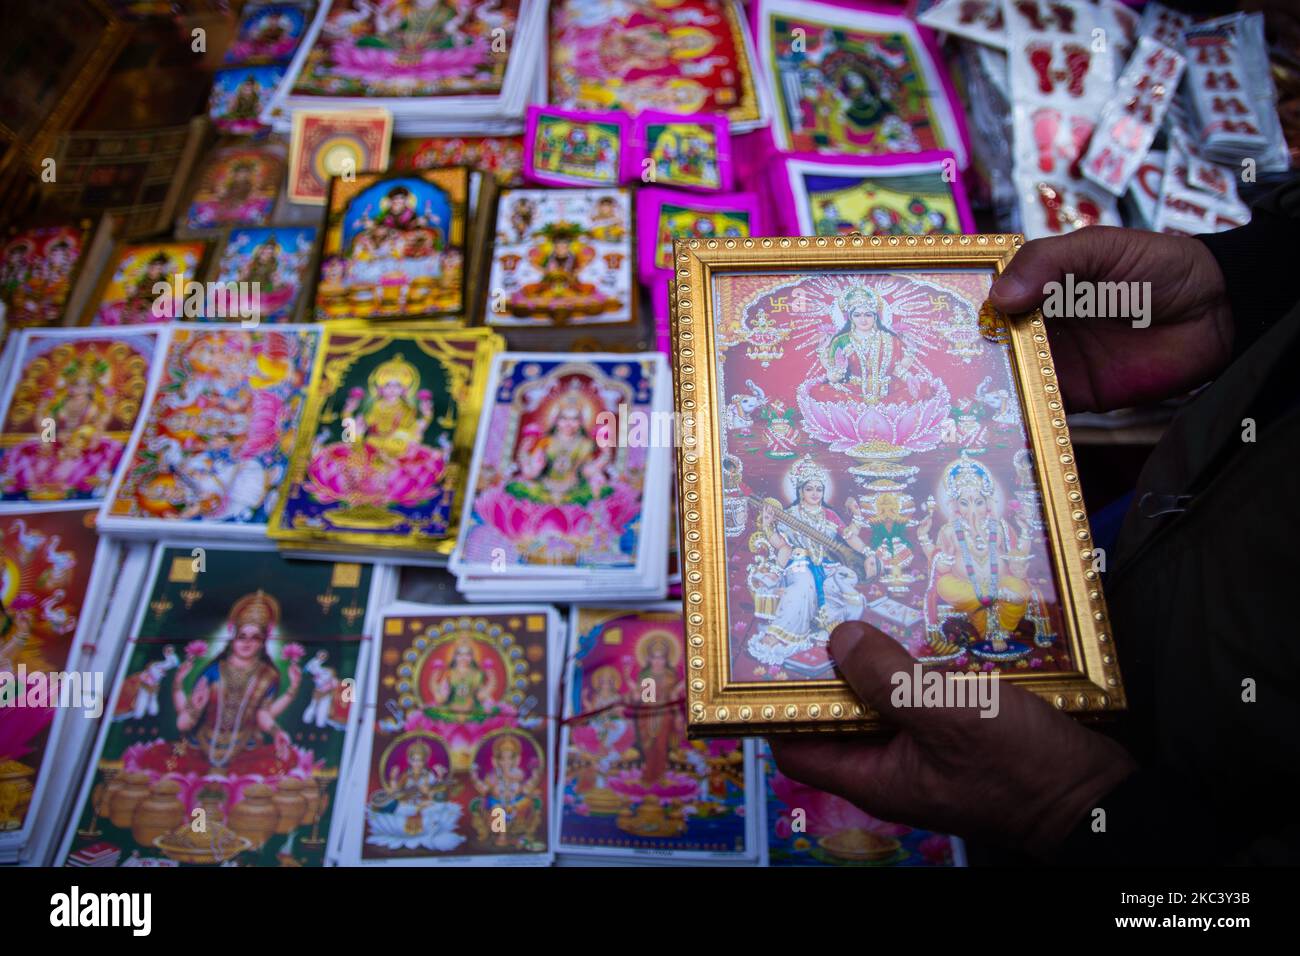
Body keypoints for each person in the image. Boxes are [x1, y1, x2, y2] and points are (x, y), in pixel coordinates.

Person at [770, 181, 1300, 864]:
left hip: (1188, 792)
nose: (867, 317)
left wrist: (1076, 811)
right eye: (861, 310)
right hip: (1172, 535)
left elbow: (1204, 905)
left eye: (873, 308)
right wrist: (1245, 282)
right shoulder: (845, 348)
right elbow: (832, 380)